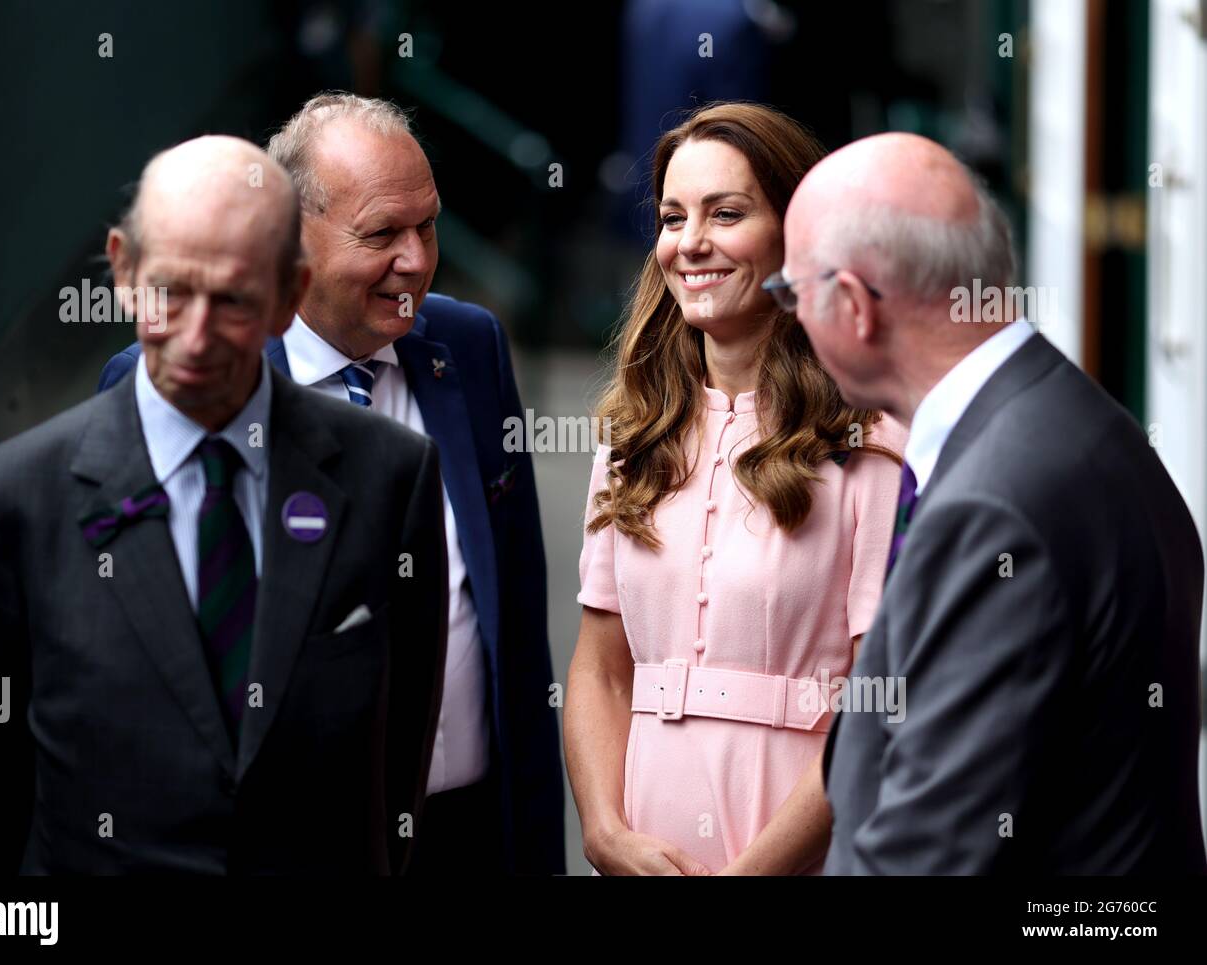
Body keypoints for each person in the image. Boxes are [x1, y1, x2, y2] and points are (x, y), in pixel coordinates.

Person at [0, 135, 449, 875]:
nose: (197, 337)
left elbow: (399, 755)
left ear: (287, 296)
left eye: (234, 298)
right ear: (122, 268)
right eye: (170, 291)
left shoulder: (390, 476)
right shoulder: (7, 506)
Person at [97, 93, 565, 875]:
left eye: (427, 225)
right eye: (381, 233)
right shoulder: (175, 380)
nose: (415, 259)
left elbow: (516, 625)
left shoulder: (466, 347)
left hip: (467, 834)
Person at [781, 131, 1207, 874]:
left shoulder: (993, 504)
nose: (789, 318)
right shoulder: (1081, 423)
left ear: (852, 304)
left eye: (790, 292)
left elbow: (925, 855)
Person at [565, 103, 905, 875]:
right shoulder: (632, 433)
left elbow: (877, 695)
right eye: (672, 216)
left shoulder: (871, 442)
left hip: (799, 847)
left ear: (798, 233)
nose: (691, 243)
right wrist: (604, 833)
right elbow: (600, 666)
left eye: (727, 214)